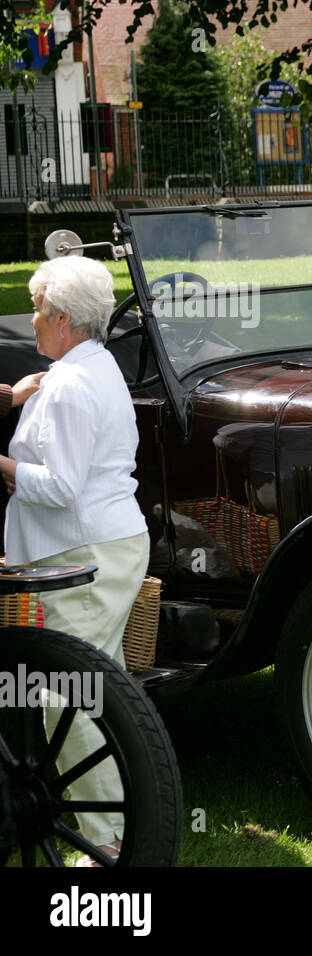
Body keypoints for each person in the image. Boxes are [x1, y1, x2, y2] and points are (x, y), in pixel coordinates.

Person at [0, 255, 149, 866]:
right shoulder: (94, 367)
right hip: (109, 544)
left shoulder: (68, 383)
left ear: (62, 319)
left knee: (67, 693)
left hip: (81, 554)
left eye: (37, 309)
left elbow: (59, 485)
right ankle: (128, 815)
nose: (30, 320)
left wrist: (3, 469)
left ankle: (108, 837)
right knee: (101, 688)